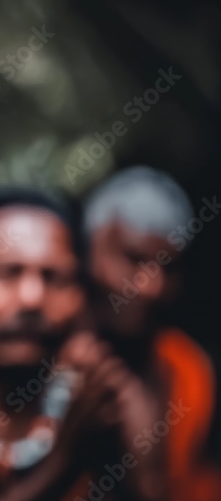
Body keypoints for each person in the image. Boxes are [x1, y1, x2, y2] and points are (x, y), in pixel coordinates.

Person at [0, 188, 166, 500]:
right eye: (7, 272)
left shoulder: (103, 395)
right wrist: (63, 463)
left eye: (54, 277)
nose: (32, 298)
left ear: (80, 296)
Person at [84, 166, 218, 501]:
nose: (151, 286)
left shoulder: (188, 369)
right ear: (91, 250)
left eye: (167, 267)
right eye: (133, 258)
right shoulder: (34, 348)